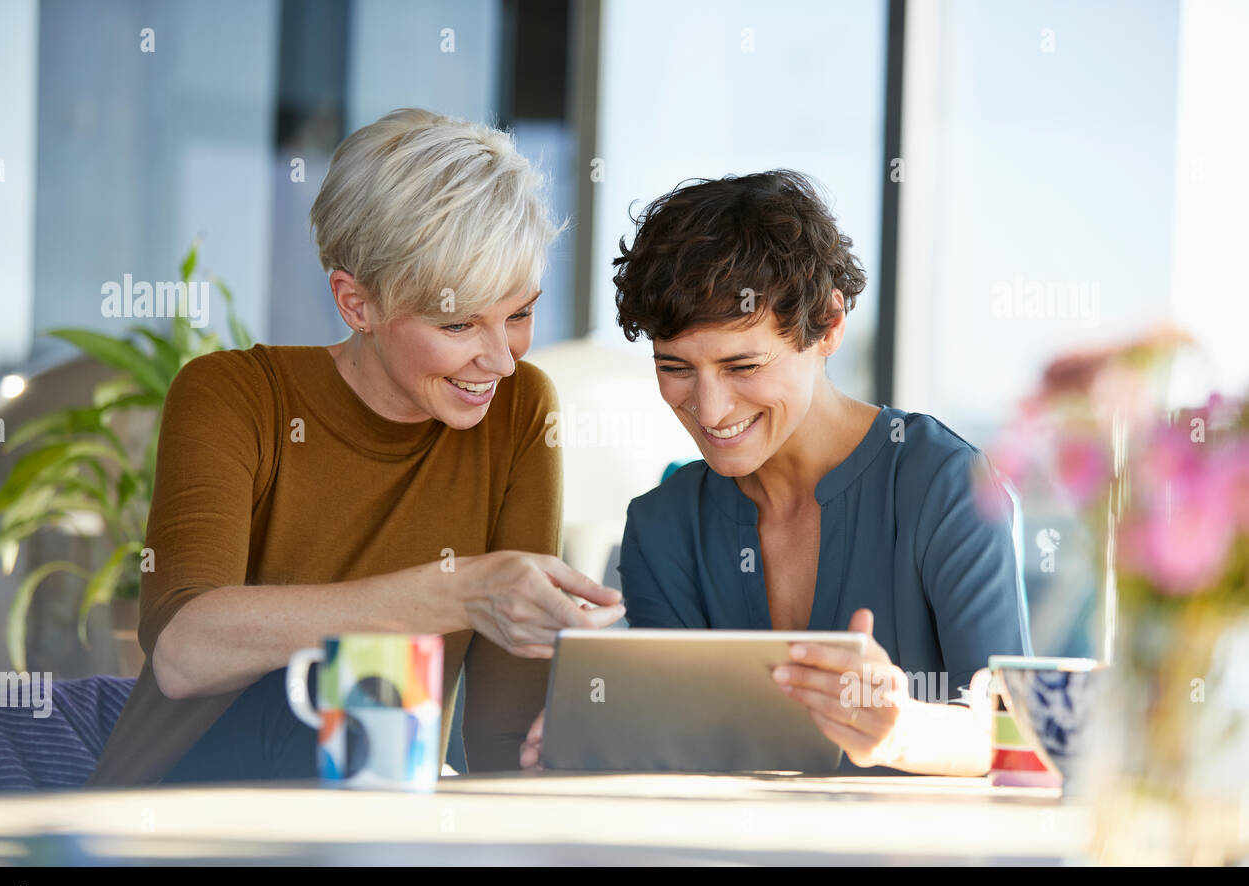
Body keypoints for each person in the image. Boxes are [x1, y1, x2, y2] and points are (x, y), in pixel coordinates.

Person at [86, 108, 624, 787]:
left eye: (518, 314)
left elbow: (501, 731)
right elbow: (183, 652)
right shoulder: (234, 395)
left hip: (381, 818)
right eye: (458, 323)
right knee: (314, 708)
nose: (501, 360)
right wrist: (459, 592)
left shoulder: (518, 411)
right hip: (178, 813)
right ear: (356, 304)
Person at [521, 169, 1026, 775]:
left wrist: (902, 731)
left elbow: (1014, 737)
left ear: (829, 326)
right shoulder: (661, 526)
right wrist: (607, 736)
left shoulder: (946, 485)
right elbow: (688, 755)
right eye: (676, 367)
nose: (709, 409)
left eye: (742, 365)